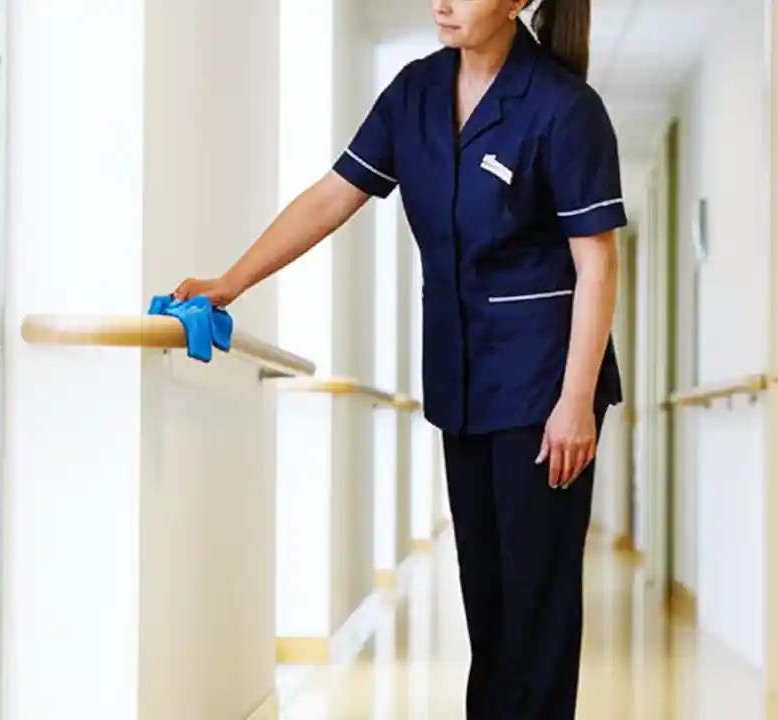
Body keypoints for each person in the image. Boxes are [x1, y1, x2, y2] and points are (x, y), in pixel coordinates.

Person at [173, 0, 621, 717]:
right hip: (463, 380)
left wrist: (575, 401)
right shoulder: (415, 92)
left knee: (536, 608)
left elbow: (596, 265)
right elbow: (330, 198)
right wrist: (232, 280)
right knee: (489, 602)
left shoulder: (565, 107)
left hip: (546, 387)